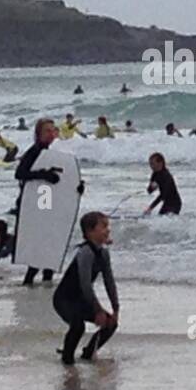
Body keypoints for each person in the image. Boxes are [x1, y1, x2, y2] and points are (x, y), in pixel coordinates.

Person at [15, 117, 80, 285]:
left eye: (53, 130)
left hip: (47, 201)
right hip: (36, 203)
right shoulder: (35, 151)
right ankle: (30, 282)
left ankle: (46, 282)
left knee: (50, 241)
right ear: (38, 134)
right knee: (40, 244)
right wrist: (43, 174)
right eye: (47, 131)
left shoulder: (51, 154)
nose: (51, 134)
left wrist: (76, 187)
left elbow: (61, 178)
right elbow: (20, 173)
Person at [52, 212, 119, 364]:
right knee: (77, 326)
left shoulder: (103, 253)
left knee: (111, 324)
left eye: (108, 226)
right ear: (90, 232)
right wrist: (98, 310)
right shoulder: (85, 253)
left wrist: (116, 308)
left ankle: (88, 353)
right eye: (103, 226)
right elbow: (85, 285)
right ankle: (67, 360)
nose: (108, 230)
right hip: (64, 299)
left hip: (81, 300)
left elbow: (109, 281)